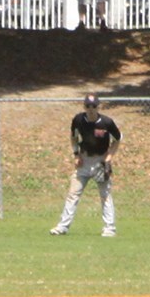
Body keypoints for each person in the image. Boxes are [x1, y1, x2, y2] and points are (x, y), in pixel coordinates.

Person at [50, 92, 122, 237]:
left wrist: (108, 158)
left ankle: (109, 228)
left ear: (98, 107)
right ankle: (63, 227)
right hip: (84, 160)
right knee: (73, 194)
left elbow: (117, 140)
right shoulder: (78, 120)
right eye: (88, 106)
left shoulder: (106, 122)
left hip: (100, 161)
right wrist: (76, 154)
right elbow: (73, 137)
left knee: (105, 195)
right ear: (84, 106)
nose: (90, 109)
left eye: (94, 106)